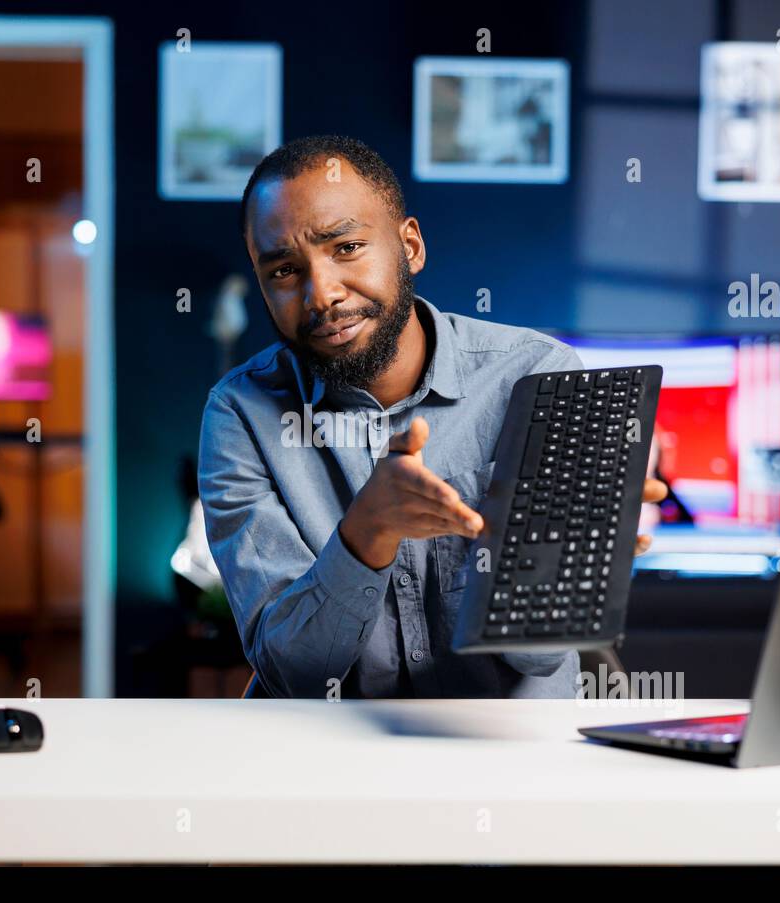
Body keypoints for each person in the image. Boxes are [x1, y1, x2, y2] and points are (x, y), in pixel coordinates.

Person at [198, 135, 665, 698]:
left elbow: (539, 657)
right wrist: (367, 534)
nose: (320, 293)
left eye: (345, 247)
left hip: (504, 760)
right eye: (283, 271)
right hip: (331, 764)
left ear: (410, 246)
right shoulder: (240, 414)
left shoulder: (537, 373)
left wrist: (569, 568)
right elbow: (292, 673)